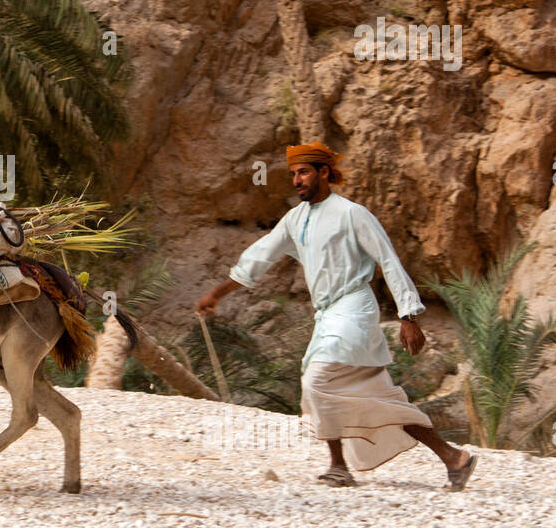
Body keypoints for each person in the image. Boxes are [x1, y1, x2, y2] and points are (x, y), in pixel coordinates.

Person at [195, 142, 477, 490]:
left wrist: (409, 315)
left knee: (317, 381)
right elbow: (259, 257)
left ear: (324, 172)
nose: (297, 180)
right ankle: (453, 458)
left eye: (304, 172)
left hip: (354, 310)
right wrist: (216, 294)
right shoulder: (295, 219)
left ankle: (339, 465)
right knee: (367, 396)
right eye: (294, 174)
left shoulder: (351, 213)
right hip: (327, 316)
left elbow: (388, 260)